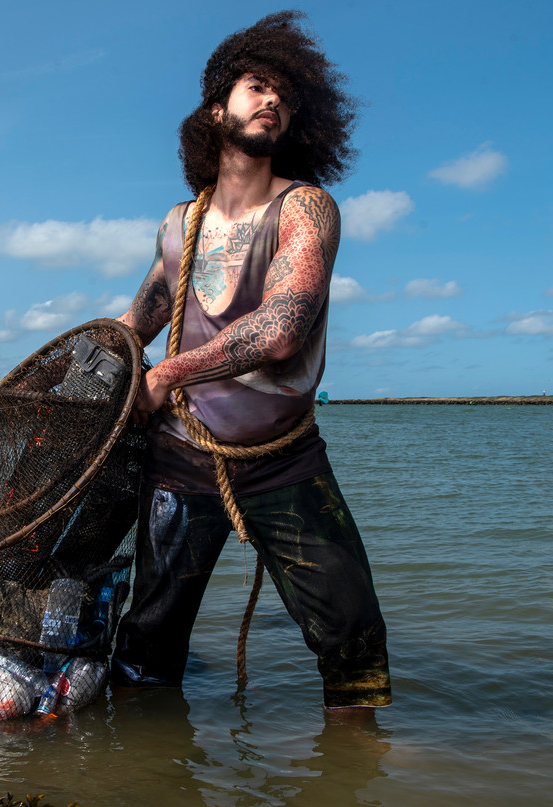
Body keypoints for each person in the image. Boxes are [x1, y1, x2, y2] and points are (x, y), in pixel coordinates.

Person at [110, 10, 391, 709]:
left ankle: (354, 780)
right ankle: (147, 778)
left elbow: (283, 328)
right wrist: (72, 370)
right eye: (258, 86)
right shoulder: (178, 225)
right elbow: (133, 324)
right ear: (217, 108)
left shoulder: (305, 209)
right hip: (178, 459)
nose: (272, 102)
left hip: (283, 461)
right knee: (148, 643)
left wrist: (168, 373)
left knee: (353, 638)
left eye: (285, 97)